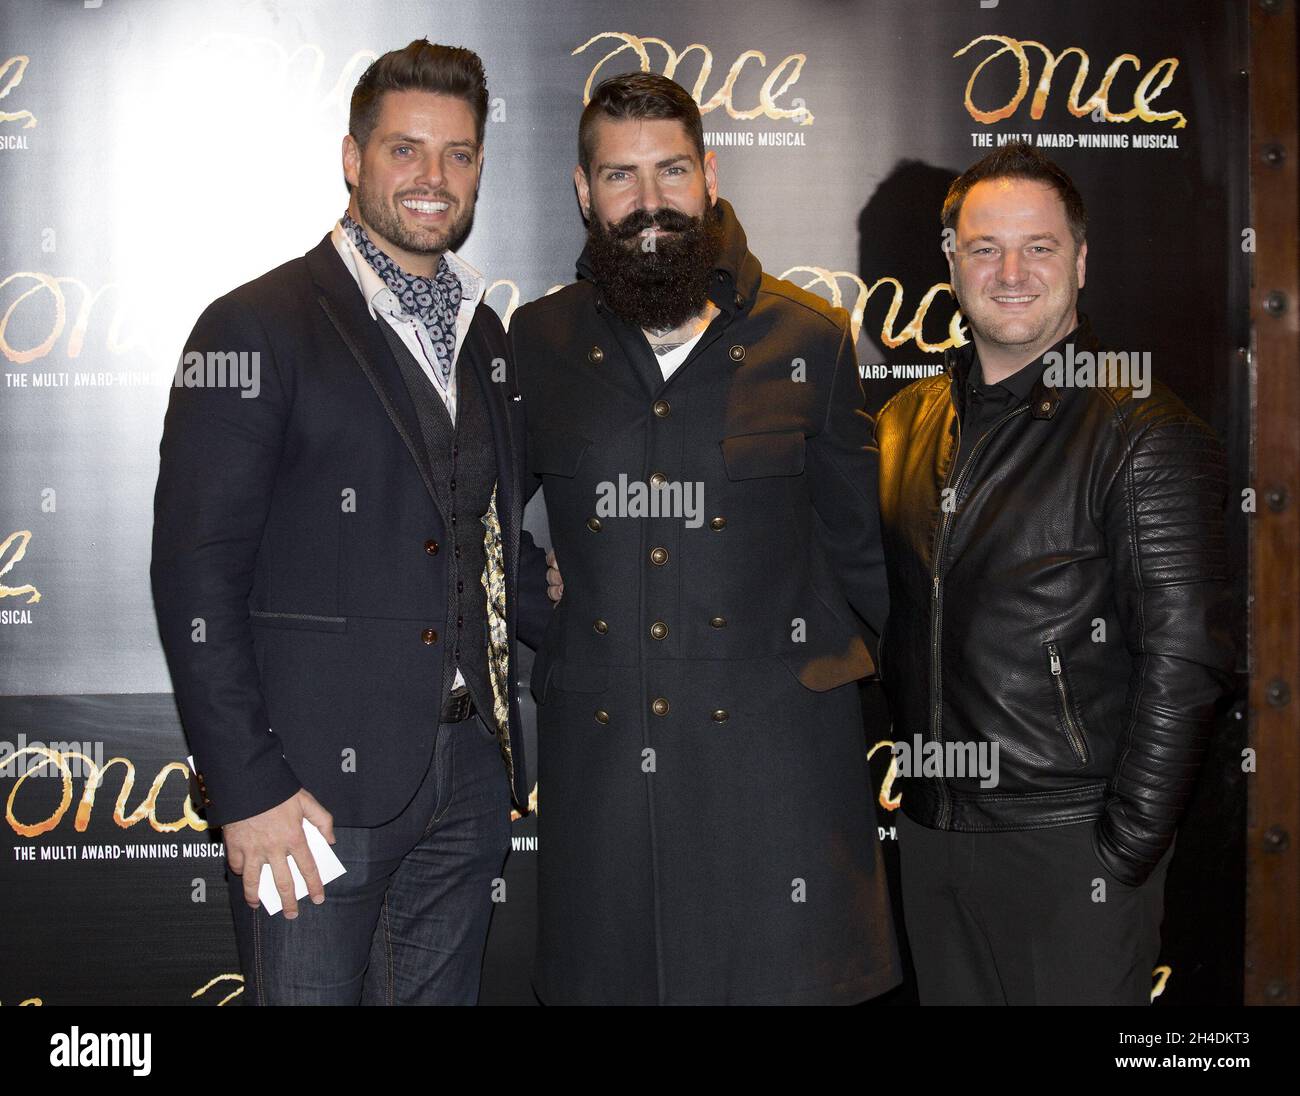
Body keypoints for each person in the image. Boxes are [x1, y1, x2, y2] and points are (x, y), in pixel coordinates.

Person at [150, 39, 553, 1005]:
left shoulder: (482, 333)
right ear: (352, 157)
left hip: (464, 779)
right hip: (308, 800)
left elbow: (478, 532)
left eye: (458, 154)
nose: (433, 178)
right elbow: (195, 576)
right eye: (405, 150)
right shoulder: (257, 324)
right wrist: (246, 791)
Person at [510, 72, 900, 1005]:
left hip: (779, 794)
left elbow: (865, 562)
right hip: (605, 790)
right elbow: (468, 516)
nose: (650, 203)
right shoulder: (536, 342)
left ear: (710, 173)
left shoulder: (812, 339)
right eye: (620, 177)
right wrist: (539, 604)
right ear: (582, 189)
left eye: (671, 171)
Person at [874, 141, 1235, 1005]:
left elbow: (1186, 662)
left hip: (1070, 849)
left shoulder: (1139, 428)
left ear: (1081, 259)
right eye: (985, 246)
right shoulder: (902, 422)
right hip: (932, 839)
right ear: (951, 261)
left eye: (1038, 247)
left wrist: (1124, 847)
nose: (1011, 272)